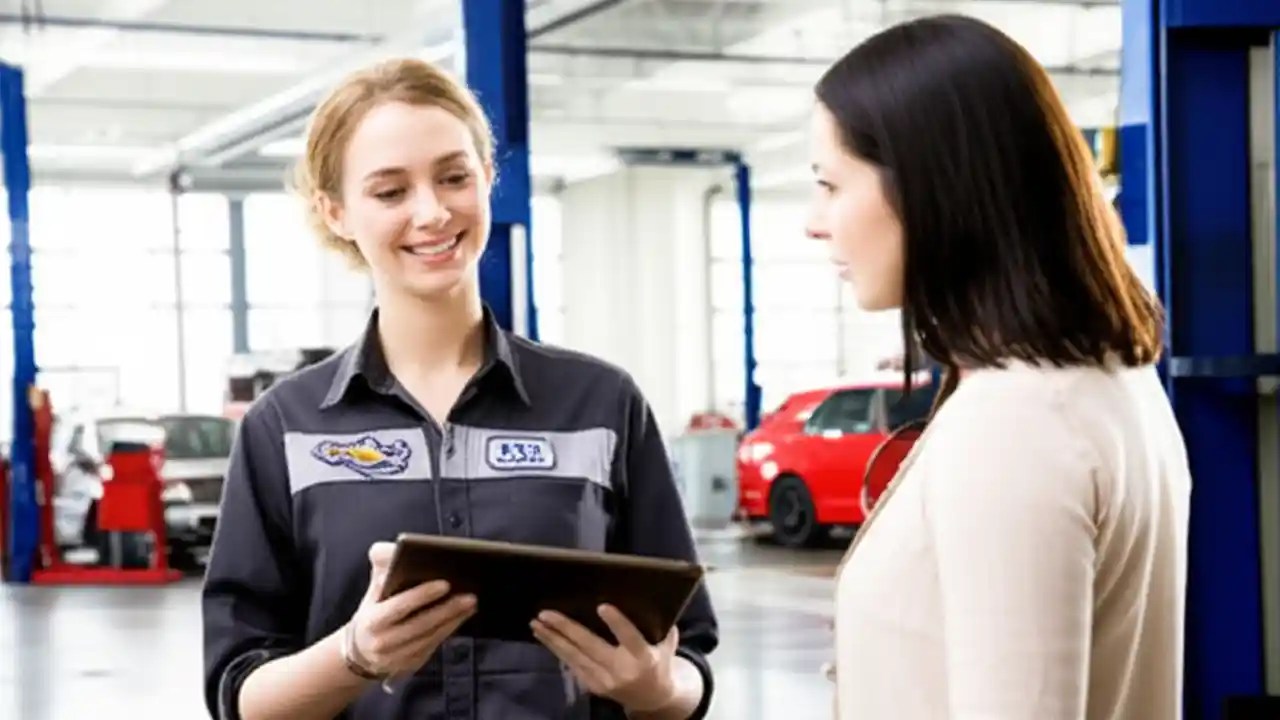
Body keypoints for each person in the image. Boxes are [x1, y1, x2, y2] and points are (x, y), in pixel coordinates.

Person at [201, 57, 717, 720]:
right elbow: (238, 695)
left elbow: (689, 659)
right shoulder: (285, 427)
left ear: (487, 177)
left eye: (453, 177)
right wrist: (354, 655)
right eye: (390, 192)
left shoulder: (603, 405)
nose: (433, 212)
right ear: (336, 212)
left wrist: (654, 689)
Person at [805, 15, 1191, 720]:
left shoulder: (1014, 424)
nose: (814, 220)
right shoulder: (1110, 383)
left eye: (830, 185)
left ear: (929, 188)